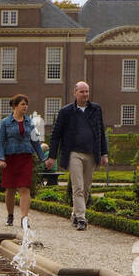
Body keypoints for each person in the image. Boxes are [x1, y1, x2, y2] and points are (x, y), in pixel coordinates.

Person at [48, 81, 109, 231]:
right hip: (74, 153)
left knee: (86, 188)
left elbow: (101, 131)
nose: (85, 94)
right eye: (82, 92)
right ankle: (82, 219)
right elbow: (56, 135)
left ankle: (75, 214)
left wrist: (104, 153)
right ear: (74, 93)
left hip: (91, 153)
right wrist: (52, 156)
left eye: (87, 92)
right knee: (78, 187)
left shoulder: (96, 109)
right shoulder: (66, 112)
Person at [0, 94, 46, 227]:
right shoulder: (5, 122)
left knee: (25, 188)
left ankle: (24, 218)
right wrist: (0, 158)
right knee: (10, 189)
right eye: (22, 104)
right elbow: (0, 142)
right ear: (15, 106)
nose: (25, 107)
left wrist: (43, 158)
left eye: (26, 104)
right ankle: (10, 215)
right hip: (10, 159)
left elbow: (35, 141)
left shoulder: (29, 122)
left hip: (25, 158)